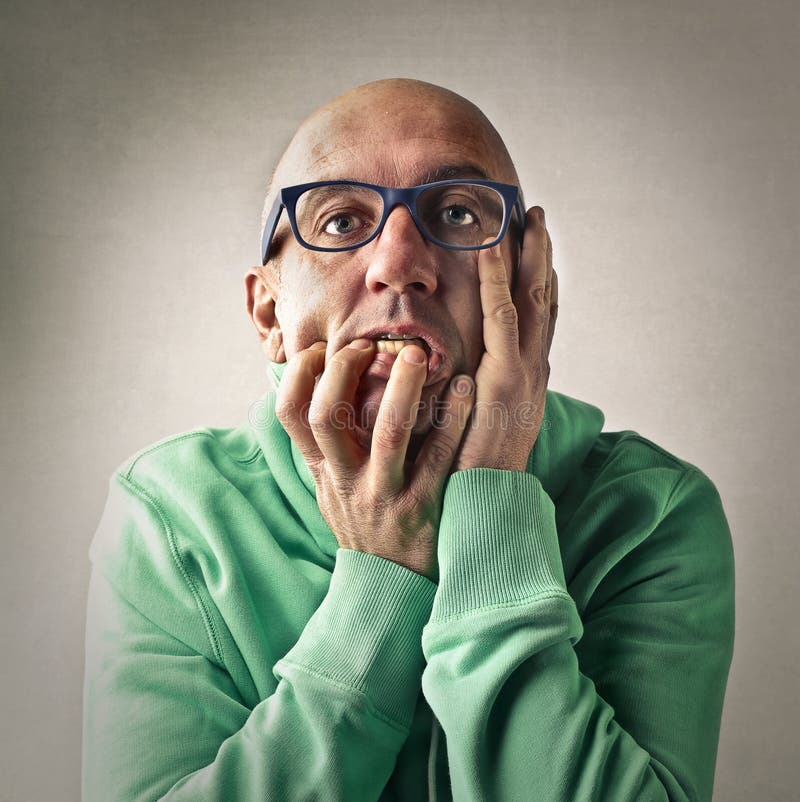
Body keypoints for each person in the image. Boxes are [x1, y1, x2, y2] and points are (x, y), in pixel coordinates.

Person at [82, 79, 735, 801]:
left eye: (457, 213)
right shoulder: (172, 517)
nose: (398, 264)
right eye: (337, 221)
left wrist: (493, 495)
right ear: (268, 310)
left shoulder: (649, 512)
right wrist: (382, 576)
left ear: (528, 283)